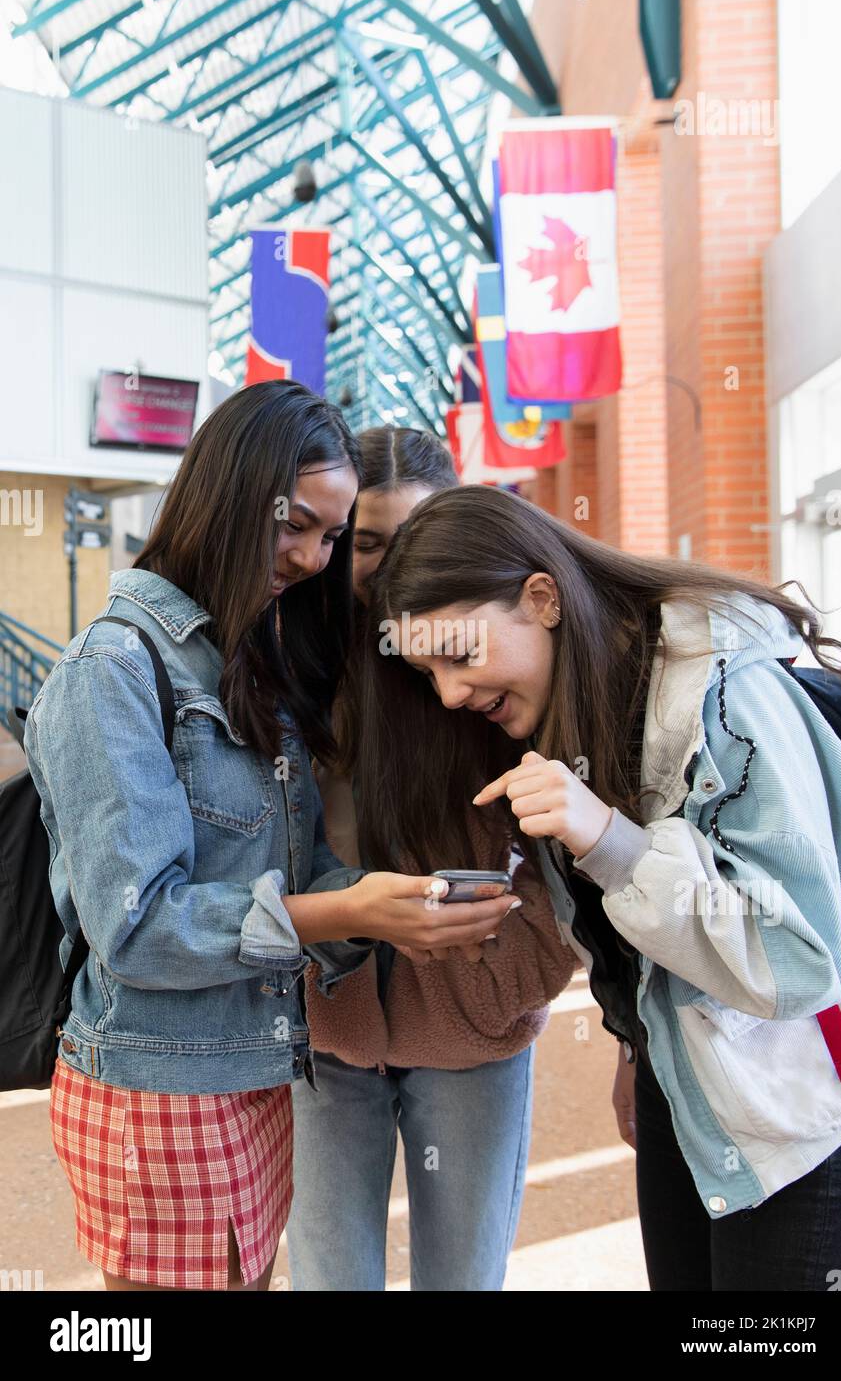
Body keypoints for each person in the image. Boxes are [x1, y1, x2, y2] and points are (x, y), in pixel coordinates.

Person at [24, 384, 515, 1293]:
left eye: (332, 537)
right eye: (298, 524)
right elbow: (137, 929)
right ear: (229, 486)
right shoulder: (113, 670)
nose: (312, 558)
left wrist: (395, 904)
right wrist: (344, 912)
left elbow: (293, 863)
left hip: (249, 1067)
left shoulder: (243, 654)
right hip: (159, 1081)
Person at [357, 481, 841, 1292]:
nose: (451, 693)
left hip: (805, 1104)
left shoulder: (727, 692)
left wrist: (613, 844)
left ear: (542, 597)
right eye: (428, 672)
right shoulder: (576, 704)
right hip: (696, 1088)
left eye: (461, 655)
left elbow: (796, 956)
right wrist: (637, 1044)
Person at [286, 426, 577, 1292]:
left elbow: (572, 829)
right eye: (362, 543)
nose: (380, 569)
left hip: (475, 1007)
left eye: (408, 541)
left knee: (462, 1276)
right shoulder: (302, 653)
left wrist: (520, 967)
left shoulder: (498, 649)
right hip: (330, 1008)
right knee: (333, 1277)